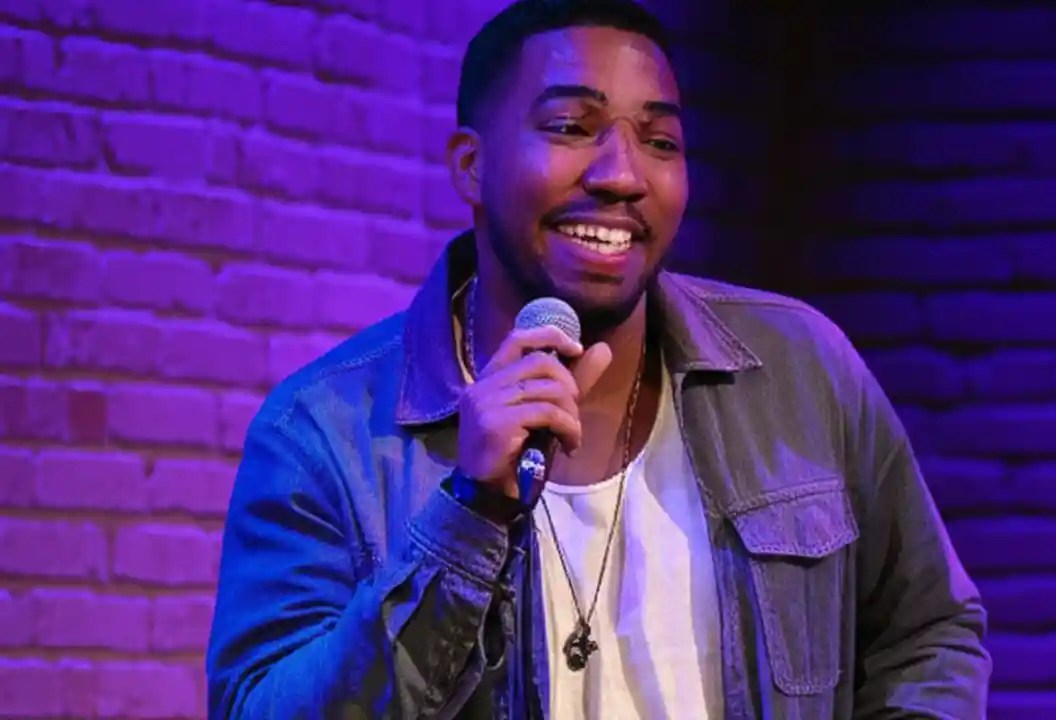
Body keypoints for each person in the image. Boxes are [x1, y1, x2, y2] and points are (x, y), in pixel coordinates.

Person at [205, 0, 991, 717]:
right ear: (470, 167)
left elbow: (928, 637)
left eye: (659, 141)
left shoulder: (799, 370)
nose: (621, 175)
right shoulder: (326, 432)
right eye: (570, 127)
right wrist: (470, 516)